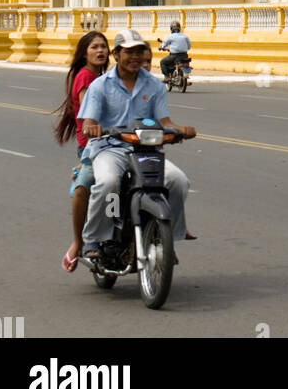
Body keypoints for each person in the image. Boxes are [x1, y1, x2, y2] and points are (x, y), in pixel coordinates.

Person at [79, 29, 195, 259]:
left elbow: (164, 122)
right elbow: (88, 122)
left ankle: (167, 238)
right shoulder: (100, 86)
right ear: (117, 54)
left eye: (139, 51)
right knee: (109, 183)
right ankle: (95, 237)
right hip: (109, 148)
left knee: (178, 181)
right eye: (129, 52)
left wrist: (180, 130)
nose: (135, 57)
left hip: (145, 150)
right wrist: (92, 128)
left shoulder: (154, 85)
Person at [54, 30, 110, 273]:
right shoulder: (86, 77)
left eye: (103, 47)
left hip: (113, 140)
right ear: (84, 53)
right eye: (94, 47)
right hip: (92, 144)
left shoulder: (105, 77)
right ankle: (78, 241)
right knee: (83, 186)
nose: (100, 51)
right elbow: (91, 115)